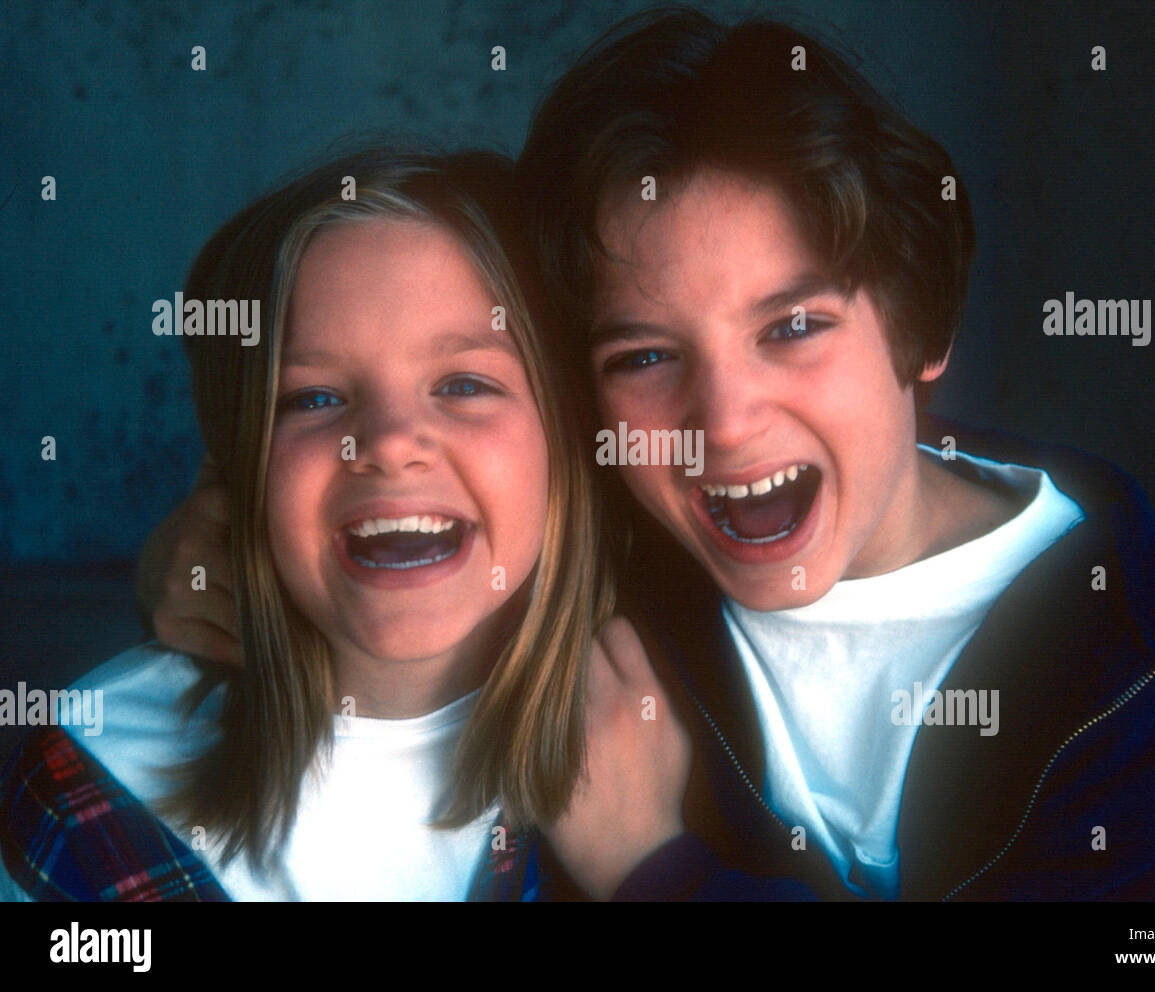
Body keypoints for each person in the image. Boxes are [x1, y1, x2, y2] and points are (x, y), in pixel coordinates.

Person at [134, 10, 1155, 900]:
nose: (722, 420)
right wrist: (215, 535)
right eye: (644, 354)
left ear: (920, 328)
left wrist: (653, 866)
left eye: (792, 327)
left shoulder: (1151, 679)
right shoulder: (612, 544)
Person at [0, 148, 691, 901]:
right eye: (314, 398)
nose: (390, 442)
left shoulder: (686, 736)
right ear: (235, 470)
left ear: (570, 438)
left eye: (464, 384)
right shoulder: (95, 792)